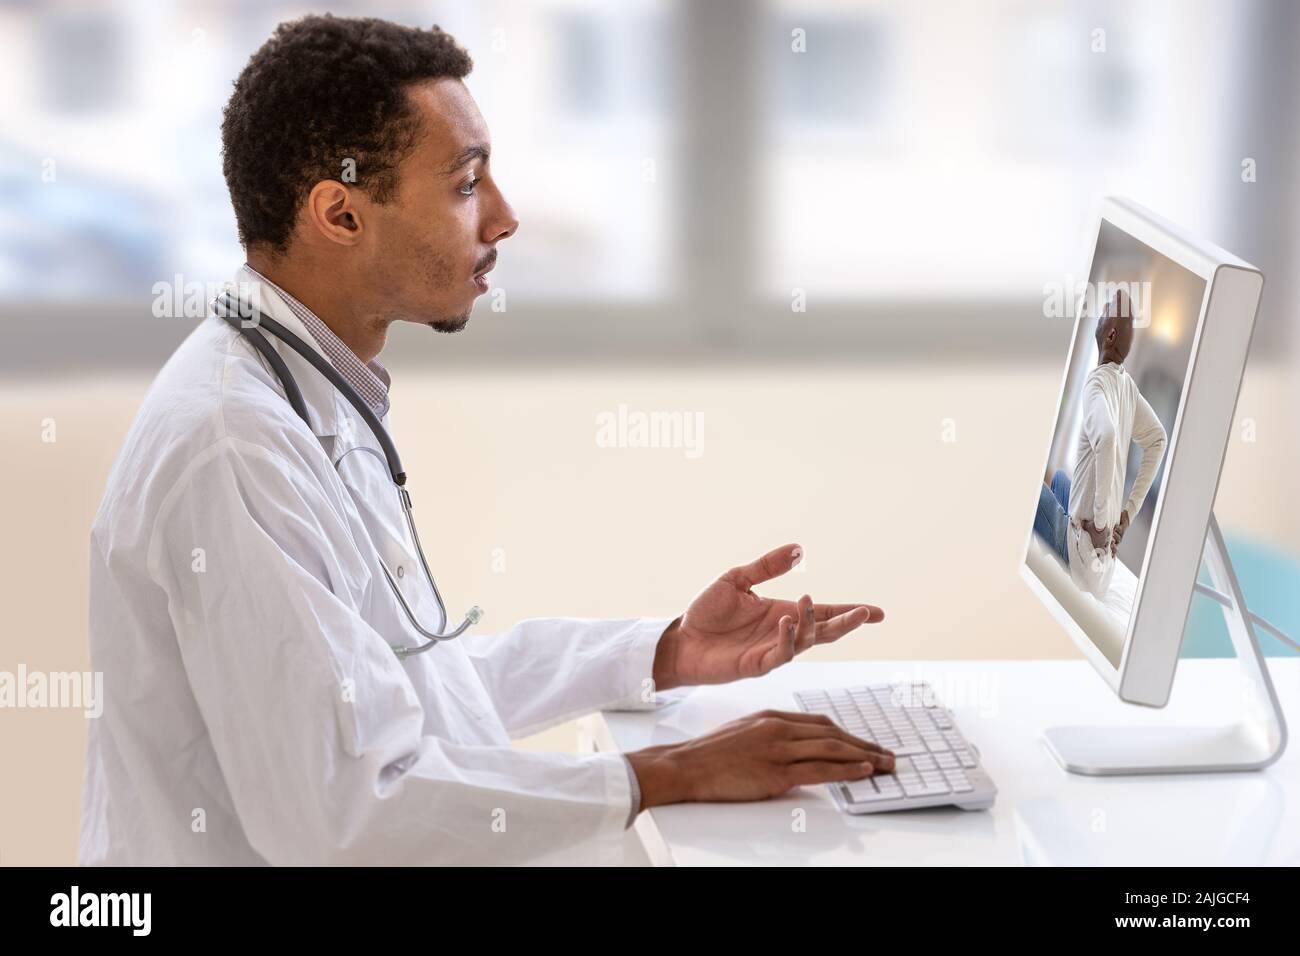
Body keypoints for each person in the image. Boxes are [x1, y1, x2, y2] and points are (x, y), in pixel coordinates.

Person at [79, 15, 891, 866]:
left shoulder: (302, 390)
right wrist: (668, 773)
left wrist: (661, 651)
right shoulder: (233, 446)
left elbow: (414, 690)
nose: (503, 218)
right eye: (467, 185)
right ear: (340, 213)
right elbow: (342, 817)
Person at [1033, 288, 1168, 599]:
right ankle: (1079, 530)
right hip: (1102, 569)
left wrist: (1100, 525)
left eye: (1105, 308)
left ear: (1109, 335)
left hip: (1083, 560)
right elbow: (1158, 440)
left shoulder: (1096, 384)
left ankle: (1074, 537)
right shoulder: (1126, 385)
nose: (1101, 309)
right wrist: (1126, 515)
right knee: (1061, 481)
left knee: (1028, 487)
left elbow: (1106, 439)